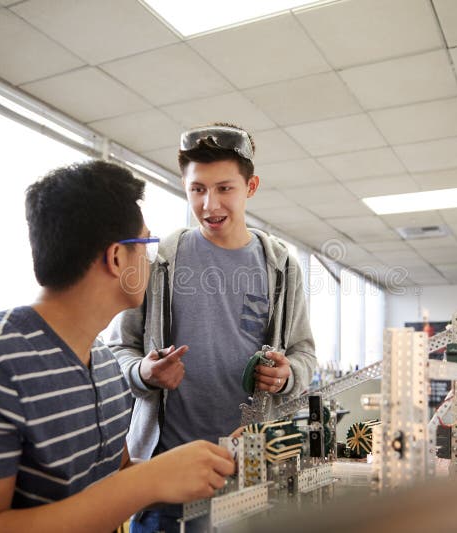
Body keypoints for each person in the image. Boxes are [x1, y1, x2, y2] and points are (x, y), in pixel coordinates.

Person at [0, 161, 234, 533]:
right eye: (146, 245)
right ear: (117, 257)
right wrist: (149, 479)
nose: (151, 262)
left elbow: (115, 477)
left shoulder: (106, 366)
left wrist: (207, 468)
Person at [107, 123, 316, 531]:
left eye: (225, 188)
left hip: (250, 476)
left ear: (250, 186)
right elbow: (118, 350)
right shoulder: (162, 261)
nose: (209, 204)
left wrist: (288, 374)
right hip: (165, 478)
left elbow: (304, 352)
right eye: (197, 189)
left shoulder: (281, 267)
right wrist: (144, 373)